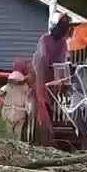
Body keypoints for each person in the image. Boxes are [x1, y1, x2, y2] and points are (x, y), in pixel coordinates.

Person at [31, 12, 73, 144]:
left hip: (55, 79)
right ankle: (43, 136)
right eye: (62, 27)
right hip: (43, 79)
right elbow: (41, 60)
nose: (64, 31)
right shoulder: (44, 40)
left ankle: (52, 135)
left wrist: (62, 75)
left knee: (55, 104)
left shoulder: (63, 43)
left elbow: (63, 60)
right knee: (43, 104)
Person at [0, 58, 31, 139]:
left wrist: (3, 97)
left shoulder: (8, 86)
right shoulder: (25, 87)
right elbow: (28, 100)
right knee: (18, 136)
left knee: (9, 136)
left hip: (8, 112)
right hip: (20, 113)